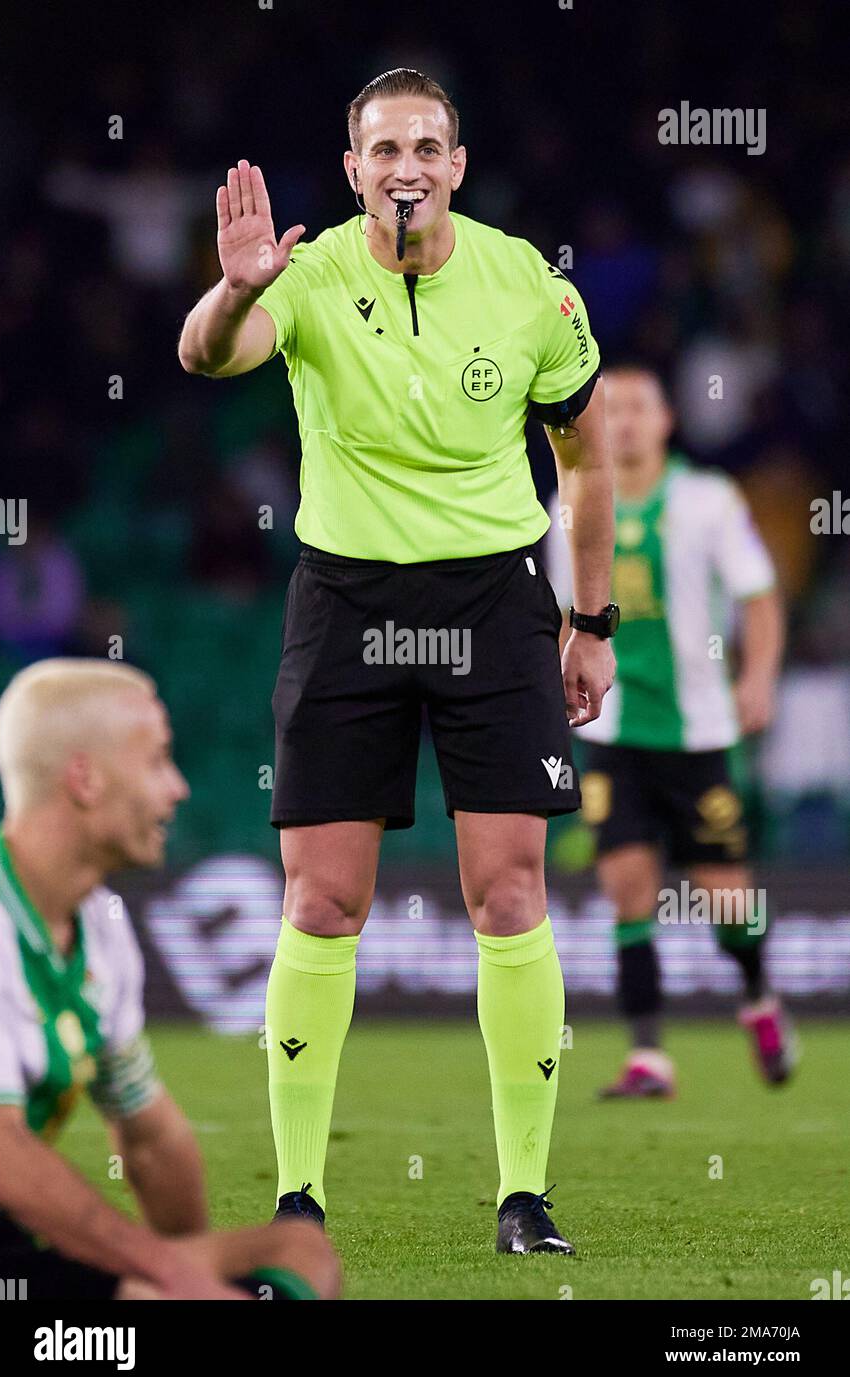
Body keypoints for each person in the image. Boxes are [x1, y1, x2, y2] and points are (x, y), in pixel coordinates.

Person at [178, 68, 616, 1255]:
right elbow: (209, 356)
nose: (406, 167)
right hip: (346, 598)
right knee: (321, 902)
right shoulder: (308, 275)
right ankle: (298, 1199)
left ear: (456, 166)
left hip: (492, 602)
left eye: (426, 146)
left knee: (509, 893)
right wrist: (233, 289)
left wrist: (593, 620)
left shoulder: (526, 282)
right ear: (354, 170)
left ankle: (522, 1199)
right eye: (384, 150)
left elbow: (586, 457)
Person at [0, 658, 339, 1299]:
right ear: (85, 779)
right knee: (153, 1290)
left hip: (7, 1257)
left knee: (298, 1249)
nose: (177, 788)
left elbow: (150, 1141)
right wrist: (167, 1271)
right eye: (156, 761)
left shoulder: (99, 929)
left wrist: (190, 1270)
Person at [545, 366, 794, 1097]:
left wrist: (756, 679)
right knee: (628, 887)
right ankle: (649, 1056)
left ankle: (756, 994)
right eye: (610, 408)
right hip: (613, 729)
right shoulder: (570, 500)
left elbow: (759, 596)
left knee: (728, 903)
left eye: (637, 408)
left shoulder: (708, 499)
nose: (621, 420)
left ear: (665, 422)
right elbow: (565, 611)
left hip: (700, 735)